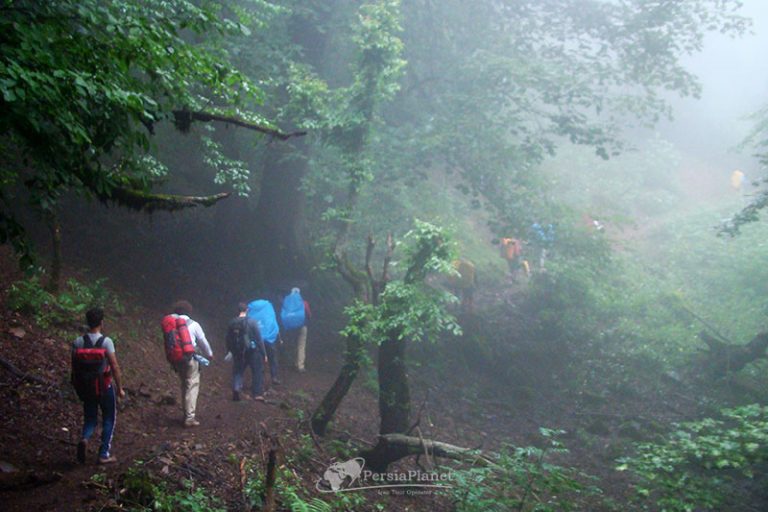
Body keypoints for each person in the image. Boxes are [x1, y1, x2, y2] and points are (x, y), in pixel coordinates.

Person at [72, 307, 125, 464]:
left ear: (87, 323)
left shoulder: (78, 342)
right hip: (104, 386)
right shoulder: (106, 342)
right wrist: (120, 388)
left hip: (87, 387)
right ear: (101, 322)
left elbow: (74, 367)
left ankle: (85, 438)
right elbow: (115, 367)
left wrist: (77, 386)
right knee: (109, 418)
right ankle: (103, 454)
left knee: (90, 419)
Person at [169, 300, 213, 427]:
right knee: (192, 384)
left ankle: (186, 413)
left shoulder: (172, 325)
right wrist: (209, 354)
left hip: (177, 359)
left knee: (184, 384)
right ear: (189, 311)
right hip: (190, 358)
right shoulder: (194, 324)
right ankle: (189, 417)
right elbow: (203, 342)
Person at [226, 302, 266, 401]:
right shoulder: (252, 322)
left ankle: (236, 388)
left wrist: (230, 350)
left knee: (238, 371)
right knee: (257, 371)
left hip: (238, 351)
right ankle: (257, 394)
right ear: (247, 310)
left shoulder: (232, 322)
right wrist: (263, 353)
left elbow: (228, 338)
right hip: (253, 351)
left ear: (238, 310)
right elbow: (259, 338)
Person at [247, 299, 281, 386]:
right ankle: (274, 377)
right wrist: (276, 335)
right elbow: (274, 323)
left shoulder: (251, 310)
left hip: (257, 340)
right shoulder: (269, 308)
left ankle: (260, 379)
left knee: (258, 359)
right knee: (272, 358)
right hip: (269, 339)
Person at [280, 287, 312, 372]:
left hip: (290, 327)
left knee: (292, 344)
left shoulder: (286, 302)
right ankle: (300, 366)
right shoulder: (304, 303)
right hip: (302, 326)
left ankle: (291, 362)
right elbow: (309, 315)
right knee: (301, 345)